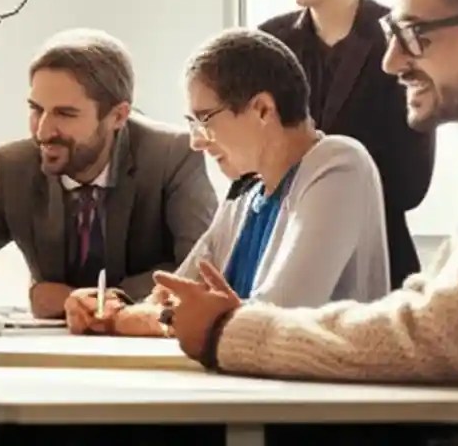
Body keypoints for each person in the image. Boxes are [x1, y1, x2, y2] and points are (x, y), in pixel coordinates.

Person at [156, 0, 458, 445]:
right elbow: (429, 304)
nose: (392, 61)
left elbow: (448, 336)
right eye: (394, 33)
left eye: (414, 34)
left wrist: (230, 331)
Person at [64, 29, 389, 336]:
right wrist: (106, 308)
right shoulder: (246, 196)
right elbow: (169, 297)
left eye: (204, 120)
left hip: (323, 392)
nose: (196, 142)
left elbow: (278, 315)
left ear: (263, 109)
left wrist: (149, 321)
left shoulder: (339, 164)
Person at [0, 28, 217, 317]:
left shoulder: (172, 156)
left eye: (65, 114)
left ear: (118, 116)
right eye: (36, 110)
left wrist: (90, 300)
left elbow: (202, 270)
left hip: (149, 345)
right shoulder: (12, 167)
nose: (43, 131)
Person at [261, 0, 435, 288]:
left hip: (377, 264)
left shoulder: (400, 39)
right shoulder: (269, 43)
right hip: (285, 260)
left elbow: (410, 185)